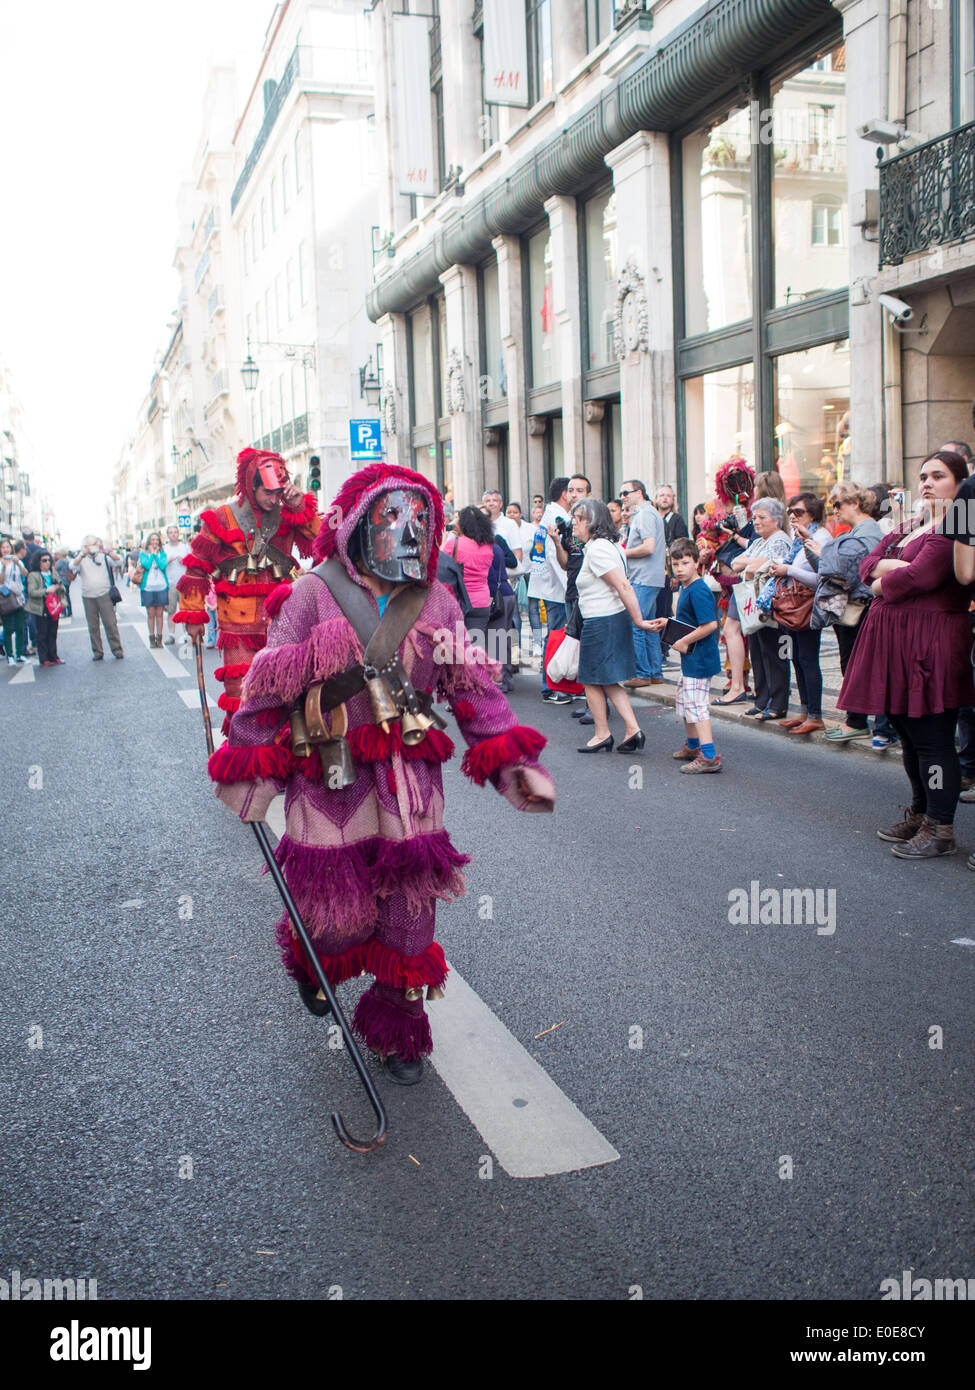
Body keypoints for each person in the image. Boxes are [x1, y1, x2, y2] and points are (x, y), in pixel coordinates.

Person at [208, 460, 555, 1083]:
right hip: (328, 776)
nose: (410, 530)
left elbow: (473, 690)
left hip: (409, 784)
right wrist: (248, 766)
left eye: (421, 517)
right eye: (393, 516)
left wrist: (514, 765)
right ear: (358, 524)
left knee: (408, 919)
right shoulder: (313, 593)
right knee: (336, 918)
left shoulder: (439, 602)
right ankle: (313, 962)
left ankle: (400, 1034)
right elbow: (269, 687)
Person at [841, 450, 974, 859]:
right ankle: (921, 814)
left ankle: (941, 827)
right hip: (892, 639)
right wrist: (886, 570)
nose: (927, 483)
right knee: (906, 732)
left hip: (931, 639)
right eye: (923, 476)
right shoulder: (912, 524)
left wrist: (885, 577)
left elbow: (924, 576)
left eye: (938, 475)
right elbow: (866, 565)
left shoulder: (961, 521)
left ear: (960, 483)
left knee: (933, 737)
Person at [174, 448, 320, 733]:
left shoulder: (288, 512)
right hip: (237, 630)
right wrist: (192, 615)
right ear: (252, 486)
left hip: (282, 622)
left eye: (278, 492)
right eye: (268, 493)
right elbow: (197, 568)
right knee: (244, 701)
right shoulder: (222, 517)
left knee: (287, 698)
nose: (273, 499)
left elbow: (324, 541)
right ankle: (246, 763)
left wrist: (300, 507)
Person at [570, 498, 655, 753]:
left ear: (592, 521)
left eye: (578, 519)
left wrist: (639, 620)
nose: (573, 523)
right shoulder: (608, 545)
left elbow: (623, 585)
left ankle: (602, 733)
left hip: (601, 621)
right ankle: (632, 730)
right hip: (608, 619)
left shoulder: (598, 550)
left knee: (590, 679)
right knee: (607, 679)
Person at [808, 484, 891, 746]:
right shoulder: (859, 531)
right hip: (853, 606)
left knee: (859, 665)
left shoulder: (868, 533)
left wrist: (823, 554)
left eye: (838, 505)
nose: (834, 511)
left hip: (860, 607)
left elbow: (849, 573)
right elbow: (829, 570)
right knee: (853, 665)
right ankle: (859, 721)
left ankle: (866, 724)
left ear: (855, 503)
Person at [648, 537, 722, 772]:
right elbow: (690, 622)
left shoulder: (699, 590)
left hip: (700, 659)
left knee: (697, 706)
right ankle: (692, 746)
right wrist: (669, 623)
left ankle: (709, 755)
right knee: (686, 702)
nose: (679, 569)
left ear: (696, 562)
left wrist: (682, 640)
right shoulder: (687, 587)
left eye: (685, 563)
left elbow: (710, 625)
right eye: (676, 564)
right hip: (691, 658)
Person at [765, 493, 826, 735]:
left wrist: (787, 569)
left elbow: (821, 577)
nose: (793, 516)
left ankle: (815, 715)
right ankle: (804, 710)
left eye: (798, 512)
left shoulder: (820, 537)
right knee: (798, 658)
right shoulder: (797, 537)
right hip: (793, 604)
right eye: (790, 512)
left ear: (813, 514)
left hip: (809, 606)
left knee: (809, 659)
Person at [730, 497, 792, 719]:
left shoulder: (779, 539)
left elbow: (771, 566)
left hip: (773, 603)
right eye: (754, 517)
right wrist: (753, 563)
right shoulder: (758, 542)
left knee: (774, 653)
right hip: (754, 604)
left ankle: (777, 704)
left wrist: (752, 564)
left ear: (776, 520)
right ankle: (762, 699)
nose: (756, 522)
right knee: (757, 650)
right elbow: (735, 563)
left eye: (761, 517)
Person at [703, 459, 756, 705]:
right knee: (731, 629)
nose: (736, 483)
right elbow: (705, 537)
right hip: (727, 575)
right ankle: (736, 677)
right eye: (731, 479)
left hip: (751, 574)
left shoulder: (755, 504)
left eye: (740, 478)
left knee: (750, 630)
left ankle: (752, 681)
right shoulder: (714, 506)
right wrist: (705, 549)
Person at [527, 476, 571, 703]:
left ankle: (558, 685)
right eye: (573, 491)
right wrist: (570, 587)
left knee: (557, 635)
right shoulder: (556, 517)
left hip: (552, 586)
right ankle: (551, 687)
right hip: (558, 587)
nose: (575, 495)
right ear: (565, 493)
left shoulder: (550, 515)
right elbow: (556, 557)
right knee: (555, 635)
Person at [619, 480, 665, 689]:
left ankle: (643, 673)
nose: (623, 497)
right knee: (649, 625)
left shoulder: (646, 514)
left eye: (626, 493)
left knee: (636, 623)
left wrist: (622, 553)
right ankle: (654, 672)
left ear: (639, 492)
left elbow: (648, 547)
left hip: (644, 578)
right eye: (621, 494)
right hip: (646, 577)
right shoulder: (645, 513)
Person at [443, 506, 497, 640]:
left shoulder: (453, 543)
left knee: (457, 649)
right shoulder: (488, 546)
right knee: (475, 649)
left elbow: (441, 564)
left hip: (459, 601)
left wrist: (445, 538)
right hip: (482, 602)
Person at [70, 536, 125, 661]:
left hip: (104, 593)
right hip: (88, 596)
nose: (92, 547)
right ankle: (97, 651)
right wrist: (82, 555)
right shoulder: (81, 558)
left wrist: (109, 552)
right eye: (89, 545)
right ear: (85, 546)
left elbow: (119, 562)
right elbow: (72, 566)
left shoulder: (104, 556)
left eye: (94, 544)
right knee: (93, 626)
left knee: (111, 623)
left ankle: (117, 649)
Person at [26, 550, 67, 666]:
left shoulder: (52, 573)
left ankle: (54, 656)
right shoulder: (33, 575)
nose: (47, 563)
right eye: (44, 560)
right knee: (42, 633)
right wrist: (46, 590)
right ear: (38, 562)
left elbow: (62, 587)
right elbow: (32, 592)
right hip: (41, 606)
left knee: (53, 632)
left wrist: (59, 587)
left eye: (49, 560)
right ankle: (44, 657)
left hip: (54, 606)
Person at [138, 532, 169, 647]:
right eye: (152, 540)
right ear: (149, 542)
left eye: (157, 540)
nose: (155, 542)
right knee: (150, 614)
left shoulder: (163, 554)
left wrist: (156, 554)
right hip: (148, 588)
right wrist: (151, 554)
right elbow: (146, 565)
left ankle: (159, 638)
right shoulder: (143, 553)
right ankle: (151, 638)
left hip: (161, 587)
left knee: (160, 614)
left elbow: (162, 566)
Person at [1, 538, 29, 664]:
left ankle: (20, 653)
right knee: (8, 627)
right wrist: (3, 568)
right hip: (6, 598)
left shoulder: (17, 561)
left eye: (7, 547)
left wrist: (17, 563)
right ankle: (10, 655)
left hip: (18, 597)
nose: (6, 549)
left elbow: (25, 574)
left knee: (20, 626)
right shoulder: (1, 563)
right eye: (3, 547)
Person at [164, 525, 190, 643]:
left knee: (185, 610)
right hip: (170, 583)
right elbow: (160, 565)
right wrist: (167, 561)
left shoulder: (185, 547)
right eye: (171, 532)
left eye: (175, 532)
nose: (173, 534)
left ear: (178, 534)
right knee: (171, 610)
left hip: (184, 583)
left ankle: (186, 634)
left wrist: (184, 561)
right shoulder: (164, 549)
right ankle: (171, 635)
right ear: (168, 535)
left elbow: (192, 562)